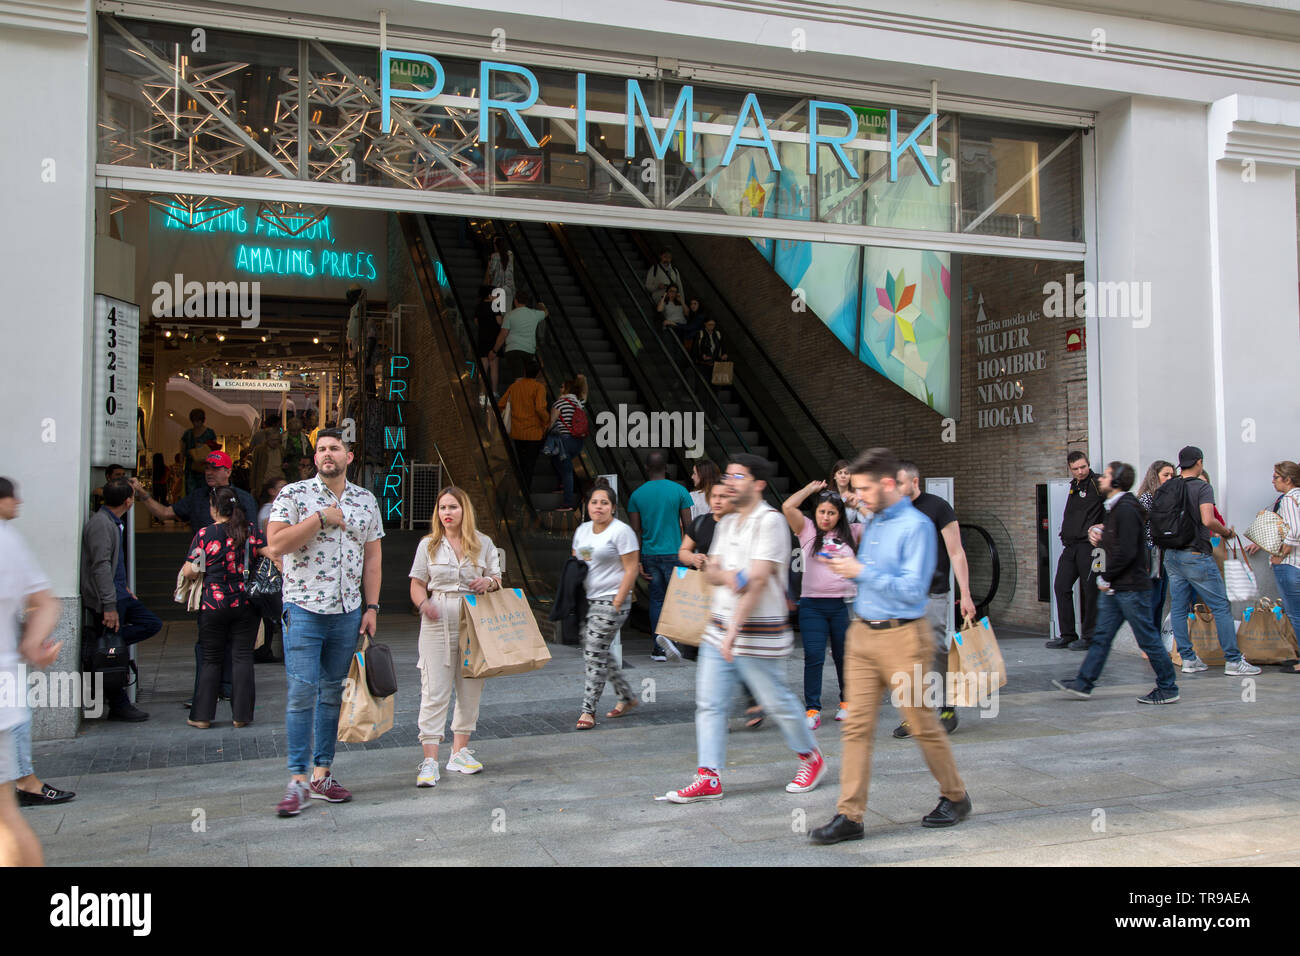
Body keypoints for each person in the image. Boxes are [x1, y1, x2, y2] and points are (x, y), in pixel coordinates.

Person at [810, 448, 970, 845]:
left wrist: (859, 570)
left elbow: (913, 588)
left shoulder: (916, 526)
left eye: (863, 488)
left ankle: (956, 796)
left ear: (886, 484)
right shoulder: (874, 518)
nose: (855, 494)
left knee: (921, 723)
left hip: (903, 635)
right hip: (863, 632)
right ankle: (850, 815)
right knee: (856, 728)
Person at [664, 455, 825, 803]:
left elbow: (757, 579)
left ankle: (811, 758)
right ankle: (708, 775)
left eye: (739, 476)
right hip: (718, 627)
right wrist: (732, 577)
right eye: (728, 475)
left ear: (758, 484)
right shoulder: (727, 522)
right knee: (709, 704)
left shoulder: (770, 522)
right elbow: (713, 571)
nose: (731, 481)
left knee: (776, 700)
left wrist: (736, 621)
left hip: (758, 631)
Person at [266, 428, 385, 817]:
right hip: (303, 609)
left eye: (335, 448)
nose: (327, 454)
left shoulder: (366, 501)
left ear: (349, 457)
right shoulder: (294, 495)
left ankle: (322, 774)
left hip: (348, 611)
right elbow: (277, 544)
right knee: (302, 693)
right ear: (315, 458)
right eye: (321, 449)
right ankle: (297, 781)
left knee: (332, 692)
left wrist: (372, 607)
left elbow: (373, 559)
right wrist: (320, 518)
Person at [1052, 462, 1181, 704]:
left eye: (1107, 476)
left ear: (1116, 482)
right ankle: (1083, 683)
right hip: (1118, 589)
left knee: (1148, 640)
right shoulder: (1115, 508)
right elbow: (1120, 543)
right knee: (1101, 636)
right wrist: (1103, 534)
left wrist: (1105, 575)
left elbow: (1129, 552)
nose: (1101, 479)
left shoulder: (1126, 509)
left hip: (1130, 588)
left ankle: (1168, 686)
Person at [408, 487, 503, 787]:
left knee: (471, 685)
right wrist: (423, 604)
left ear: (465, 511)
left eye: (453, 507)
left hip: (475, 618)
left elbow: (498, 580)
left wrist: (487, 581)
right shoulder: (428, 545)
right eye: (442, 508)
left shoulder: (483, 543)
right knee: (434, 688)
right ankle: (429, 759)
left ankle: (459, 751)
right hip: (438, 618)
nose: (447, 513)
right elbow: (417, 583)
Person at [0, 480, 74, 811]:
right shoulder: (8, 541)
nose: (18, 501)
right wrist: (33, 644)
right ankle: (26, 782)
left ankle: (25, 780)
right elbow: (45, 601)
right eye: (11, 495)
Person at [891, 461, 979, 739]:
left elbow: (956, 552)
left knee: (935, 651)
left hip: (933, 594)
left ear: (915, 482)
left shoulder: (938, 508)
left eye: (900, 483)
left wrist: (965, 593)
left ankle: (946, 706)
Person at [1160, 446, 1259, 675]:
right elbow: (1208, 519)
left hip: (1171, 555)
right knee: (1221, 606)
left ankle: (1188, 659)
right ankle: (1234, 661)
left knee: (1178, 607)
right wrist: (1226, 533)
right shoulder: (1202, 487)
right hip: (1195, 554)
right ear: (1199, 462)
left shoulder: (1169, 487)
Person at [181, 487, 267, 728]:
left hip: (213, 603)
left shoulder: (205, 534)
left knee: (211, 659)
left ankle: (201, 717)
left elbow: (190, 570)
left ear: (214, 508)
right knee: (242, 658)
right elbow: (269, 554)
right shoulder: (250, 532)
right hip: (246, 603)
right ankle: (241, 716)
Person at [782, 480, 862, 729]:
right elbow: (788, 506)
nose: (826, 517)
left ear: (840, 516)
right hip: (811, 606)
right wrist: (810, 490)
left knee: (843, 656)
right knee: (814, 657)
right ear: (815, 512)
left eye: (832, 512)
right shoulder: (806, 529)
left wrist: (856, 502)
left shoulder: (853, 532)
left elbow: (881, 524)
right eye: (822, 511)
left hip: (842, 605)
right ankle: (812, 709)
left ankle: (847, 702)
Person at [80, 478, 162, 722]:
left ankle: (101, 648)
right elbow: (100, 566)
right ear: (129, 501)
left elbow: (111, 564)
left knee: (146, 626)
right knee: (110, 649)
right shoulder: (101, 524)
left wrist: (123, 586)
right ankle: (119, 703)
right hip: (109, 598)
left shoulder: (111, 522)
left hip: (119, 593)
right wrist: (109, 605)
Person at [573, 481, 641, 730]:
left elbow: (632, 567)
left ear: (613, 507)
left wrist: (617, 601)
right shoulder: (582, 531)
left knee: (593, 650)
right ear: (587, 505)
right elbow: (577, 561)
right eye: (594, 502)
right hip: (588, 601)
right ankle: (627, 696)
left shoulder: (621, 532)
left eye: (604, 503)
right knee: (599, 649)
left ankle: (588, 710)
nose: (598, 507)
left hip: (613, 599)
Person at [627, 451, 694, 662]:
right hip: (676, 553)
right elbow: (689, 525)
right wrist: (688, 552)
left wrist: (637, 560)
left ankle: (659, 649)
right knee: (675, 599)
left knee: (656, 600)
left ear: (646, 468)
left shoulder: (637, 495)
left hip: (649, 555)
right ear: (666, 468)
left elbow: (636, 530)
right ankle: (674, 643)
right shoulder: (680, 491)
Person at [1243, 460, 1300, 674]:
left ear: (1288, 479)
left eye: (1276, 477)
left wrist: (1280, 554)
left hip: (1290, 564)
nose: (1273, 481)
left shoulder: (1289, 499)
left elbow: (1294, 530)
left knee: (1296, 614)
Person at [1046, 451, 1105, 650]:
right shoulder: (1074, 486)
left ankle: (1090, 636)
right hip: (1071, 546)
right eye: (1076, 469)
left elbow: (1112, 509)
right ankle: (1068, 634)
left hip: (1090, 546)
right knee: (1061, 586)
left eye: (1083, 467)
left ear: (1088, 465)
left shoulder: (1098, 483)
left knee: (1090, 591)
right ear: (1070, 469)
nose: (1080, 471)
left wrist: (1101, 528)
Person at [499, 356, 550, 495]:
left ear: (524, 371)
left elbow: (501, 404)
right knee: (530, 465)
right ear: (538, 372)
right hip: (534, 433)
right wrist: (547, 421)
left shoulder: (514, 386)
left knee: (521, 464)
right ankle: (525, 493)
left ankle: (520, 491)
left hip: (517, 432)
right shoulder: (539, 387)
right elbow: (540, 408)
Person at [1136, 460, 1175, 638]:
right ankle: (1148, 639)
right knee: (1152, 597)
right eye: (1165, 475)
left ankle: (1155, 637)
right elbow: (1137, 527)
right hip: (1151, 550)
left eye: (1172, 475)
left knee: (1160, 597)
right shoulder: (1147, 498)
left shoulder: (1167, 497)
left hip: (1164, 550)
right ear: (1155, 476)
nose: (1169, 478)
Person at [490, 289, 548, 391]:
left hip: (513, 350)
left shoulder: (509, 315)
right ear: (527, 301)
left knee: (519, 378)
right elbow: (546, 312)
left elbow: (503, 334)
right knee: (526, 379)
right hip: (529, 351)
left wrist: (494, 351)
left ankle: (516, 402)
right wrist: (541, 305)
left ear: (515, 301)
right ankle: (522, 401)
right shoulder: (534, 314)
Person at [547, 374, 588, 512]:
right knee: (556, 460)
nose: (560, 388)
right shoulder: (578, 403)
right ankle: (563, 486)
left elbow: (551, 421)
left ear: (566, 388)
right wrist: (583, 380)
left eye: (562, 386)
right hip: (578, 442)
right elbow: (584, 393)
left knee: (566, 470)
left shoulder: (559, 402)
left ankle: (568, 503)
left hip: (563, 441)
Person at [180, 408, 218, 497]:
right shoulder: (188, 434)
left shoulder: (209, 433)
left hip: (205, 467)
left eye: (198, 421)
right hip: (191, 469)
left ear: (202, 420)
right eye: (194, 421)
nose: (196, 424)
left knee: (205, 493)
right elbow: (182, 451)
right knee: (191, 493)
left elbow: (215, 451)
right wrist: (181, 465)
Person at [475, 283, 503, 394]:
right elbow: (499, 321)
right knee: (494, 368)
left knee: (483, 369)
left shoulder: (479, 306)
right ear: (490, 295)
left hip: (482, 339)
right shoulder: (494, 306)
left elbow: (476, 321)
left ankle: (482, 393)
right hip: (494, 340)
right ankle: (494, 392)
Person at [484, 235, 516, 316]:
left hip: (497, 288)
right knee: (507, 313)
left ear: (496, 245)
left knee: (497, 313)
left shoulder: (494, 256)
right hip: (509, 288)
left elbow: (491, 272)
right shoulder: (510, 254)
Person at [829, 459, 866, 526]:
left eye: (846, 473)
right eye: (840, 473)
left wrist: (857, 505)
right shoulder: (828, 495)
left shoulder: (857, 494)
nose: (843, 476)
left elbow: (864, 520)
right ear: (834, 476)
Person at [282, 415, 313, 482]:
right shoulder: (283, 439)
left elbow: (310, 453)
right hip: (287, 471)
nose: (295, 433)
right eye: (293, 431)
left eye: (298, 430)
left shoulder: (304, 439)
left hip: (301, 469)